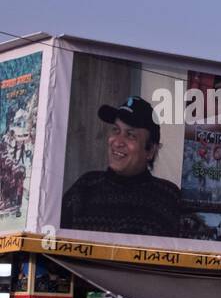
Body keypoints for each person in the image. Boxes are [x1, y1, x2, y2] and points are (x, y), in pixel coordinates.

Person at [60, 95, 182, 238]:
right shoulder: (84, 187)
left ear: (151, 151)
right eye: (116, 130)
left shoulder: (167, 198)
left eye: (130, 135)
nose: (117, 142)